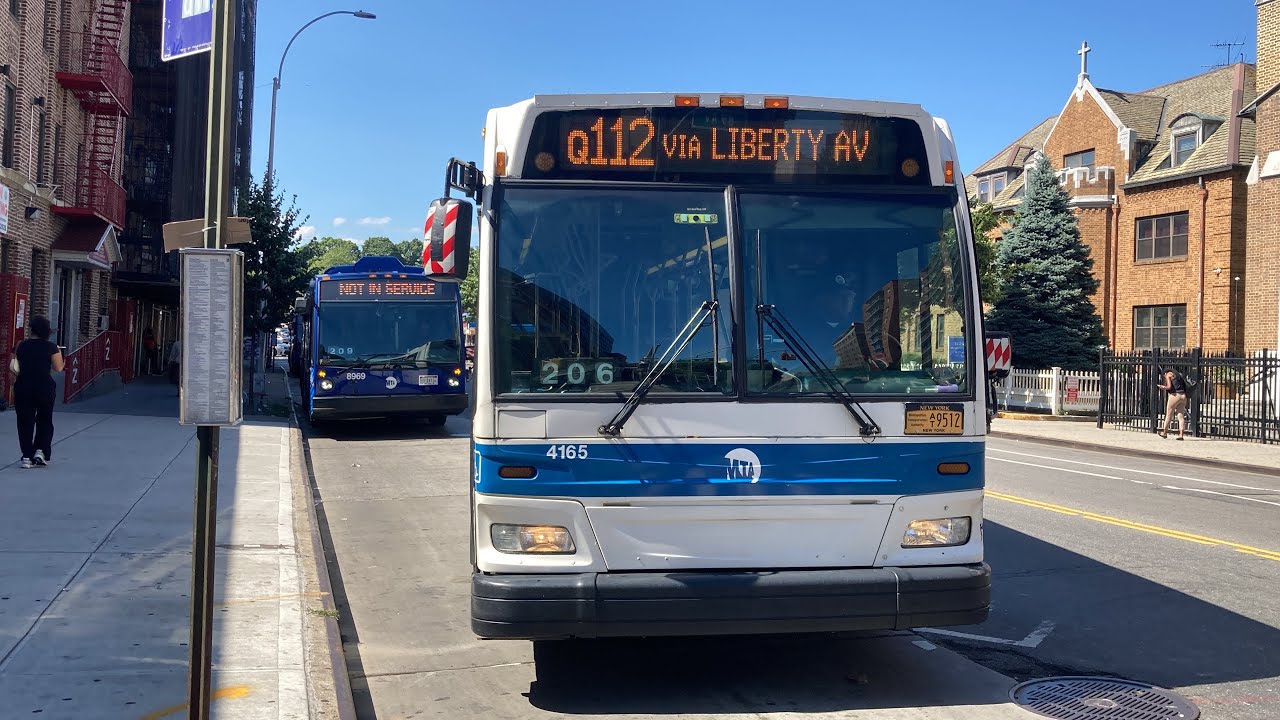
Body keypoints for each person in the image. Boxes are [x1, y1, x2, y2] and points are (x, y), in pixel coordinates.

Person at [13, 316, 64, 468]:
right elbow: (58, 368)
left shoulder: (20, 346)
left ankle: (26, 457)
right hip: (44, 388)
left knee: (24, 423)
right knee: (45, 420)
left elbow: (13, 367)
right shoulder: (51, 347)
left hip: (23, 387)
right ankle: (40, 451)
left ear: (32, 329)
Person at [1157, 366, 1188, 440]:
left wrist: (1162, 387)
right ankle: (1181, 435)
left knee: (1169, 415)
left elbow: (1169, 387)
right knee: (1180, 416)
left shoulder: (1168, 375)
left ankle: (1164, 433)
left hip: (1175, 395)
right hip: (1183, 396)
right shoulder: (1179, 375)